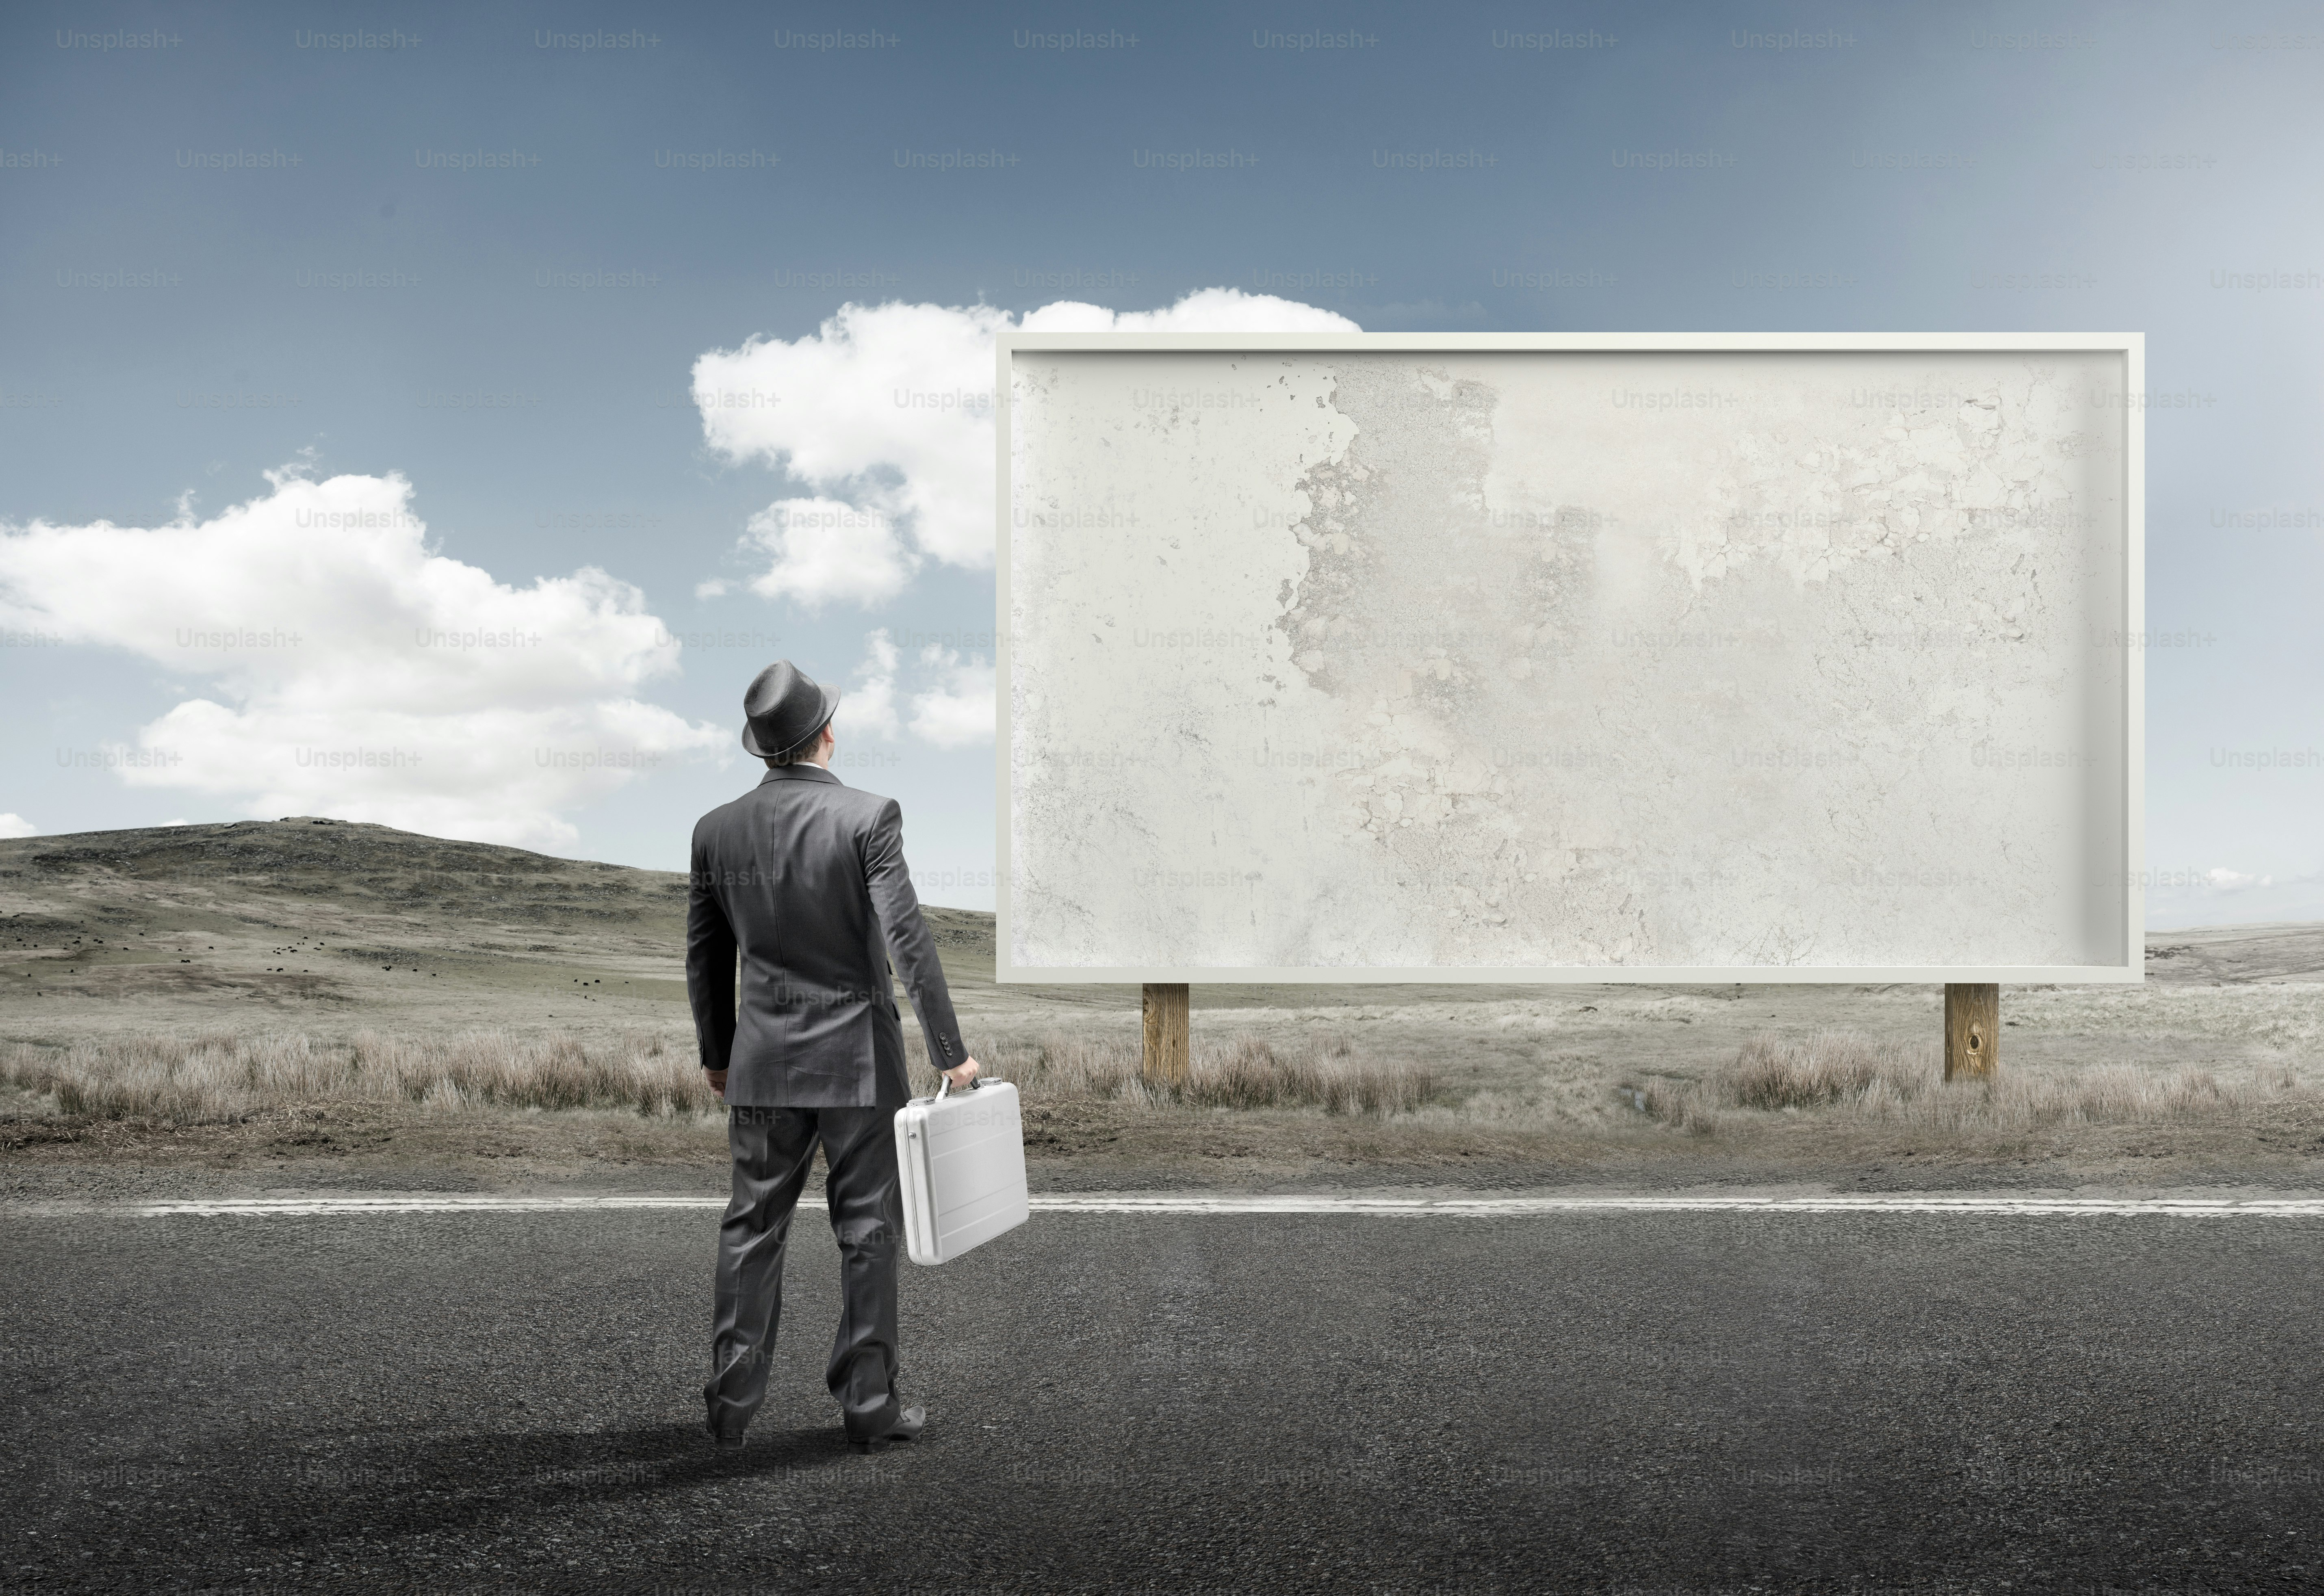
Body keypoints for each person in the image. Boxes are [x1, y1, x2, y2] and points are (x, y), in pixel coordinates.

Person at [686, 658, 978, 1453]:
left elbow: (706, 957)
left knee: (750, 1227)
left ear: (762, 748)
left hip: (761, 1063)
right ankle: (867, 1405)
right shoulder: (869, 817)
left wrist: (719, 1055)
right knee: (867, 1232)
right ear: (826, 734)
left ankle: (730, 1403)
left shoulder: (714, 831)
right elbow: (907, 941)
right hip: (856, 1061)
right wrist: (950, 1052)